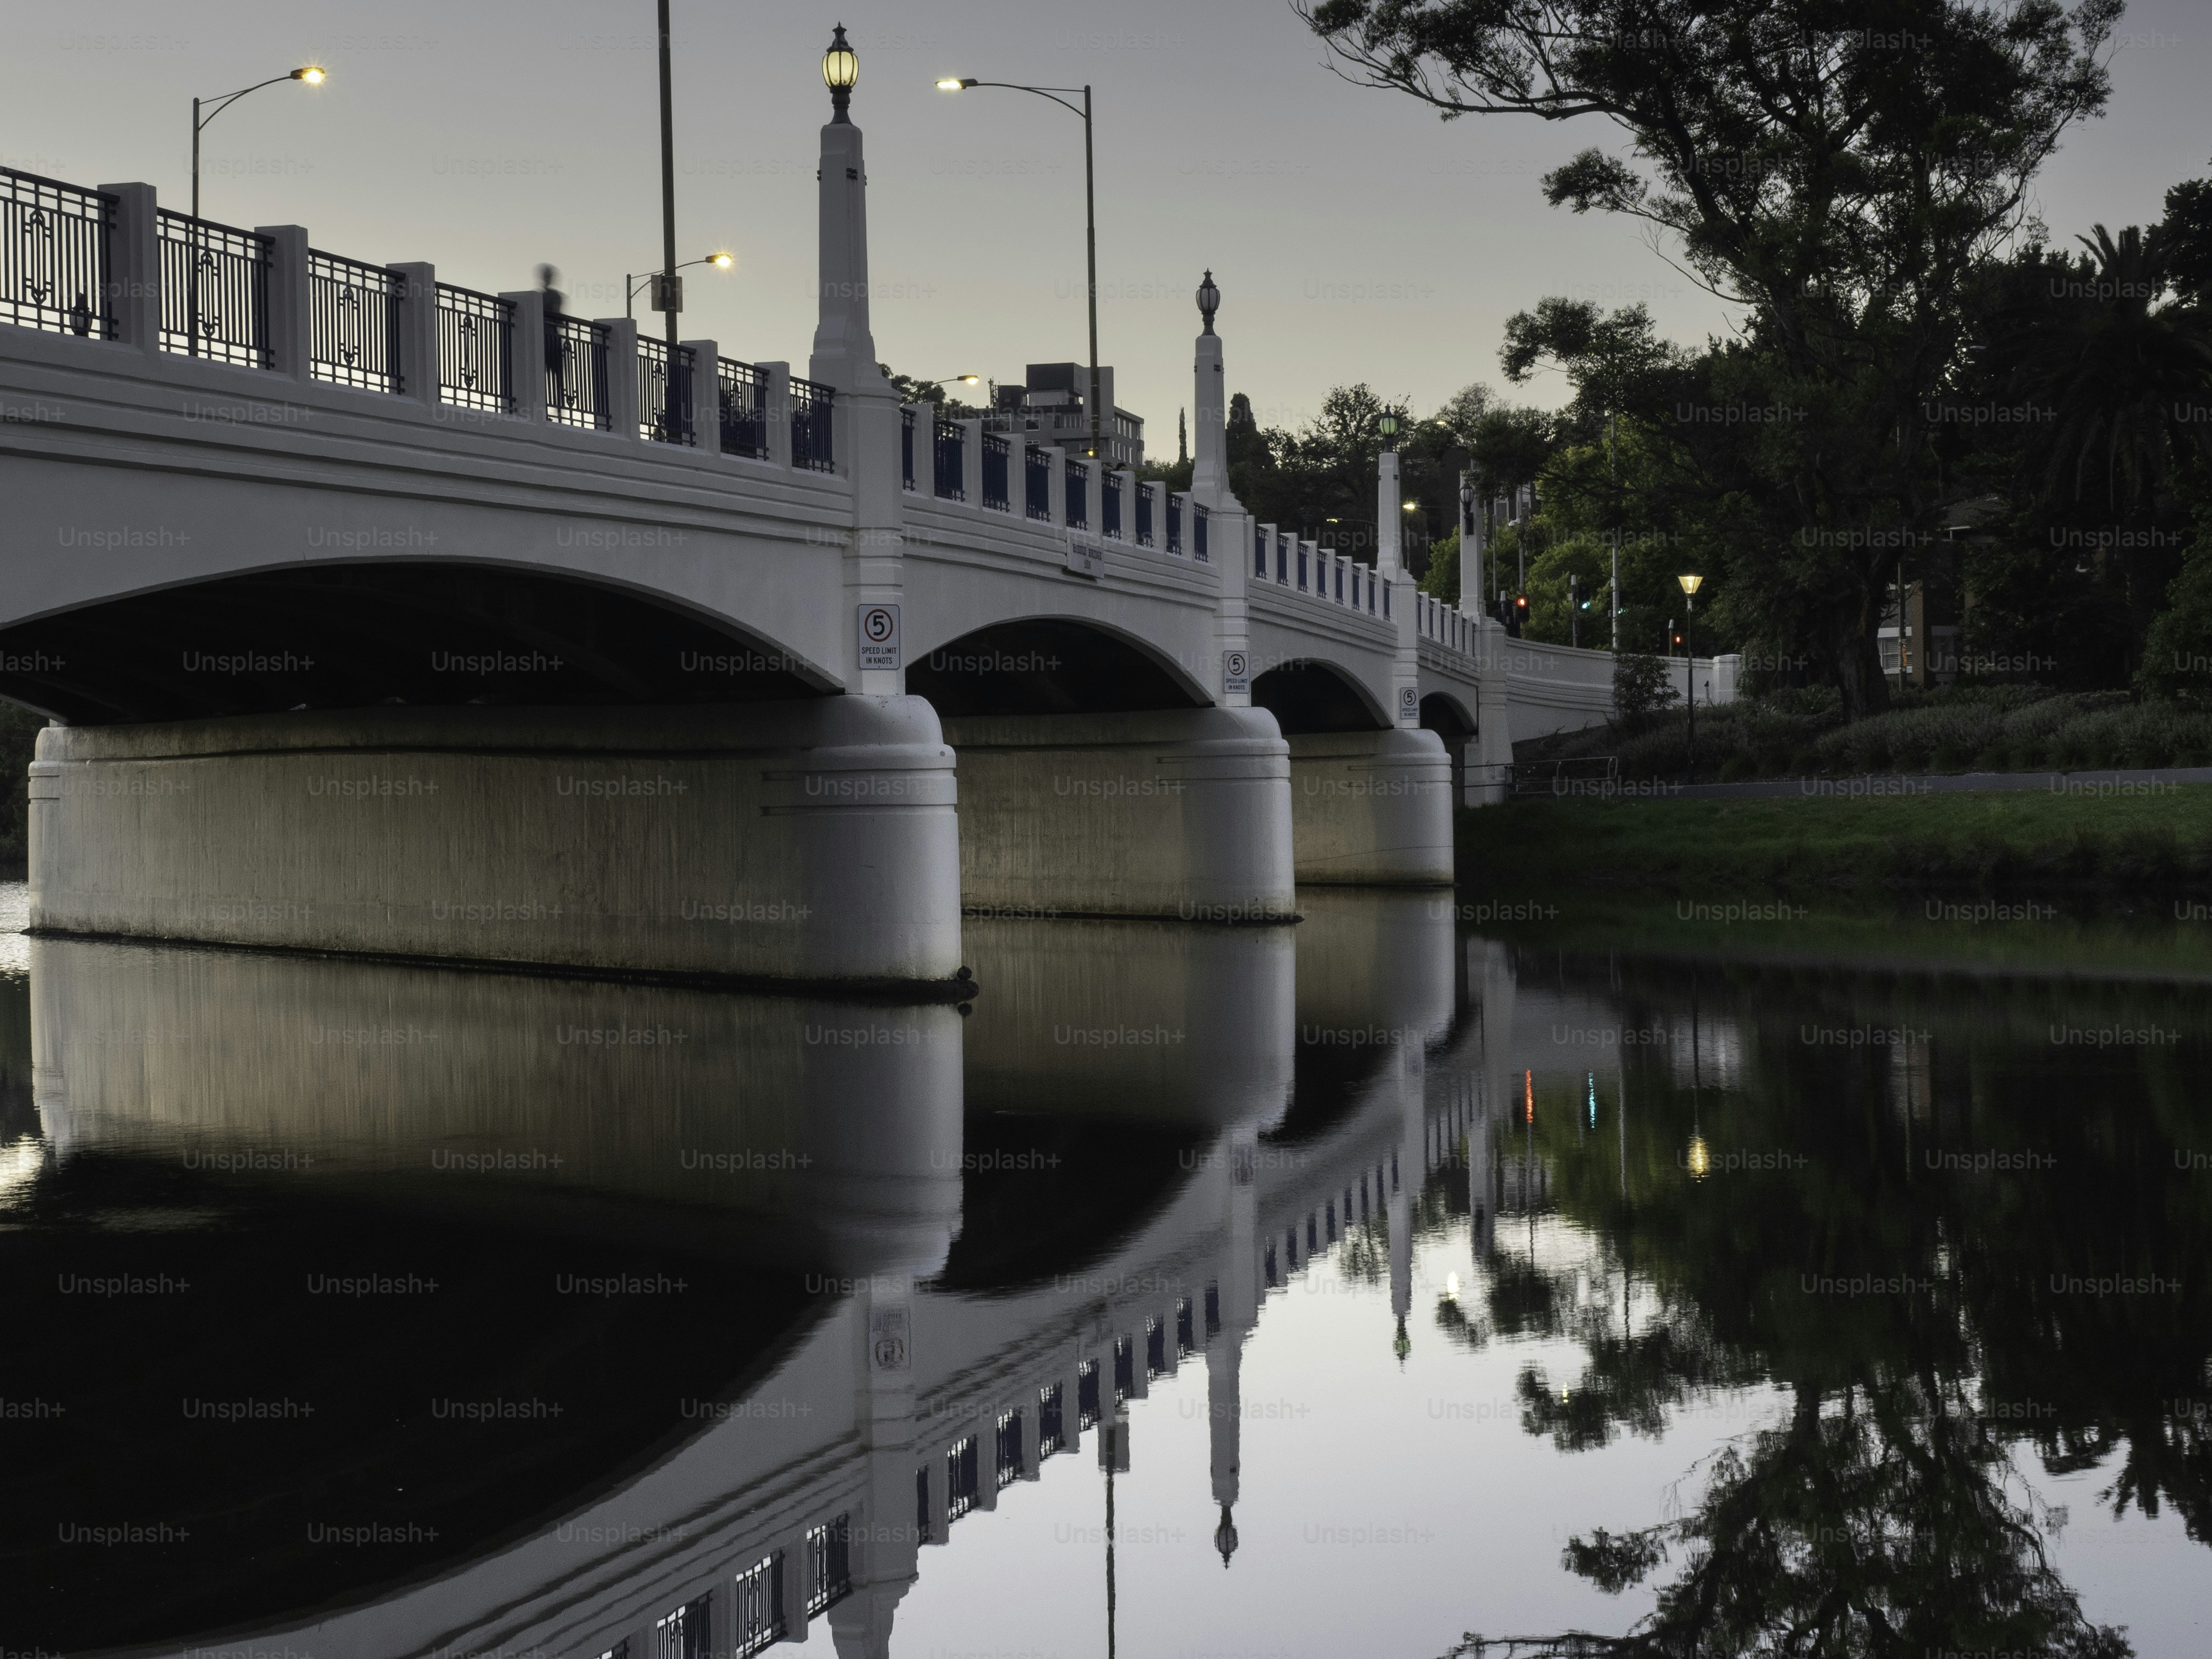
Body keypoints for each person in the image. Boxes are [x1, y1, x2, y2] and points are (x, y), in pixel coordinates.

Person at [538, 264, 566, 406]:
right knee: (558, 377)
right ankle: (559, 407)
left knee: (541, 376)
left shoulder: (537, 297)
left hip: (541, 340)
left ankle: (542, 406)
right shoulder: (556, 296)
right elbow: (559, 318)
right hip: (553, 340)